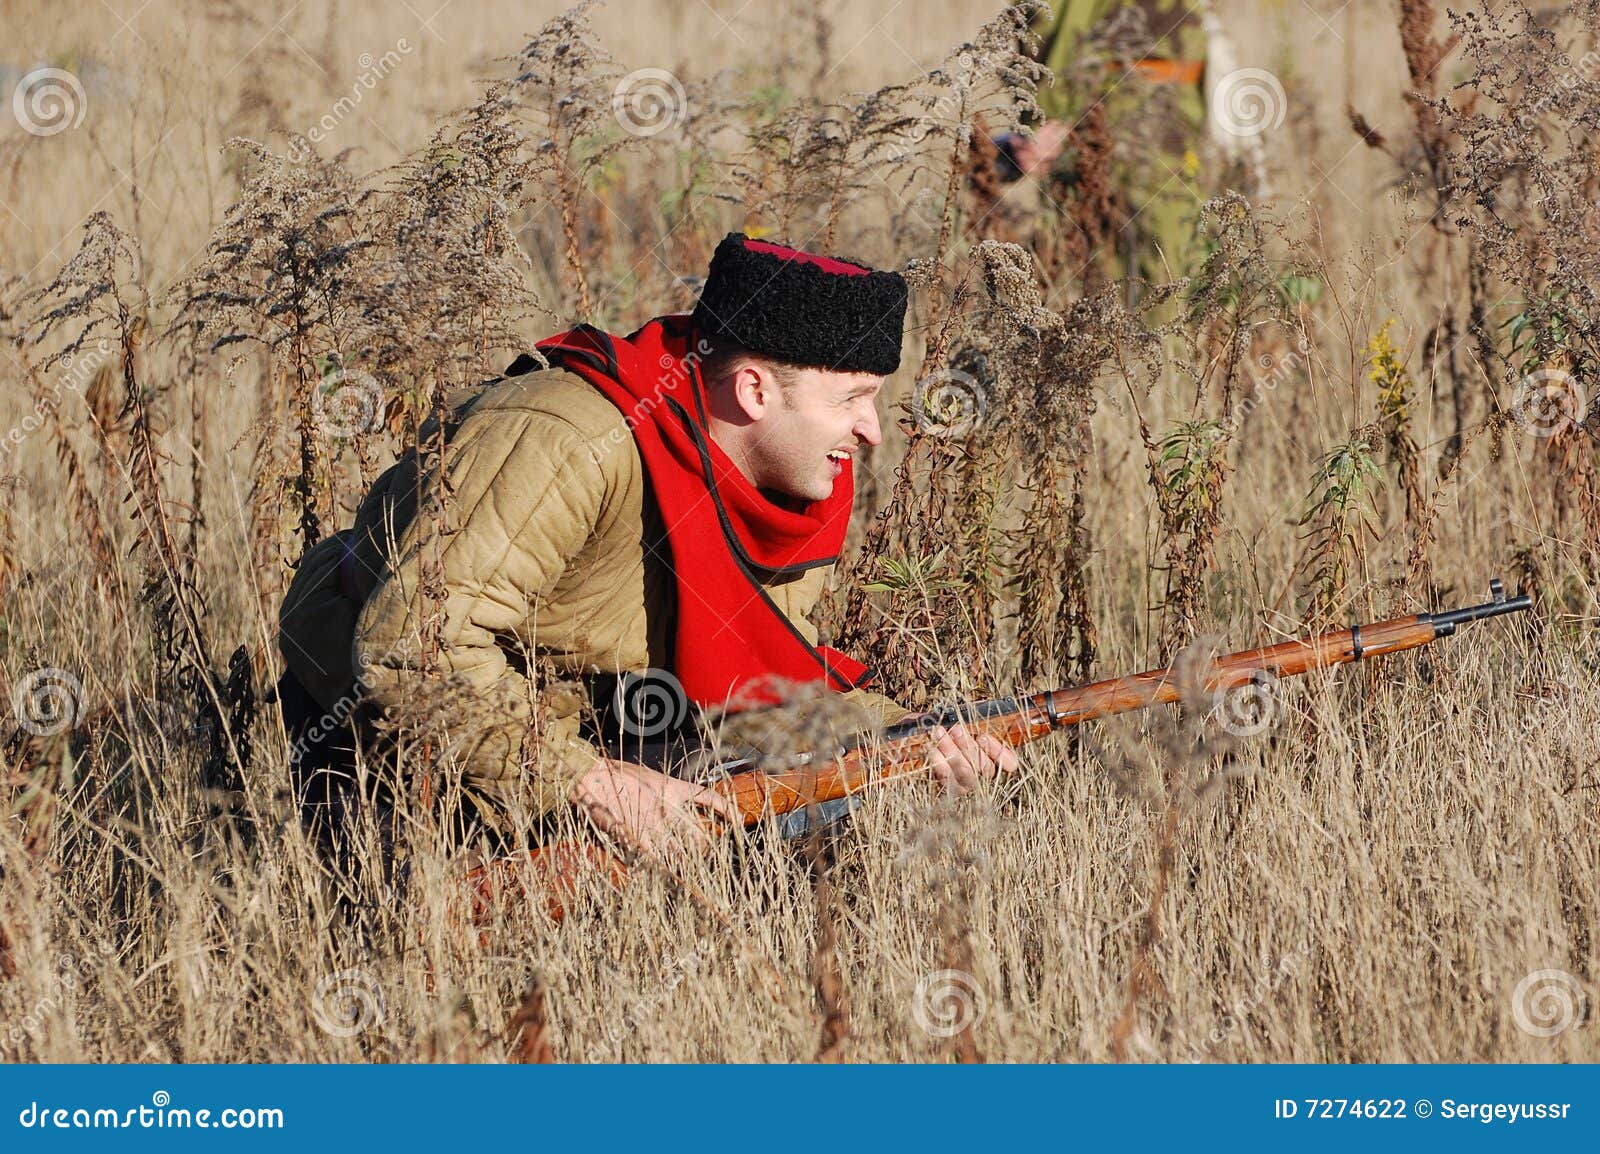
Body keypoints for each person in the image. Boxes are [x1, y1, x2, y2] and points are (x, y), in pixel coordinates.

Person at [275, 232, 1019, 869]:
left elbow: (757, 685)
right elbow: (411, 650)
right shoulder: (568, 440)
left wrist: (913, 743)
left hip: (602, 714)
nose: (873, 430)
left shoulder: (786, 488)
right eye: (853, 398)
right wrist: (592, 785)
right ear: (756, 391)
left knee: (818, 826)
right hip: (387, 737)